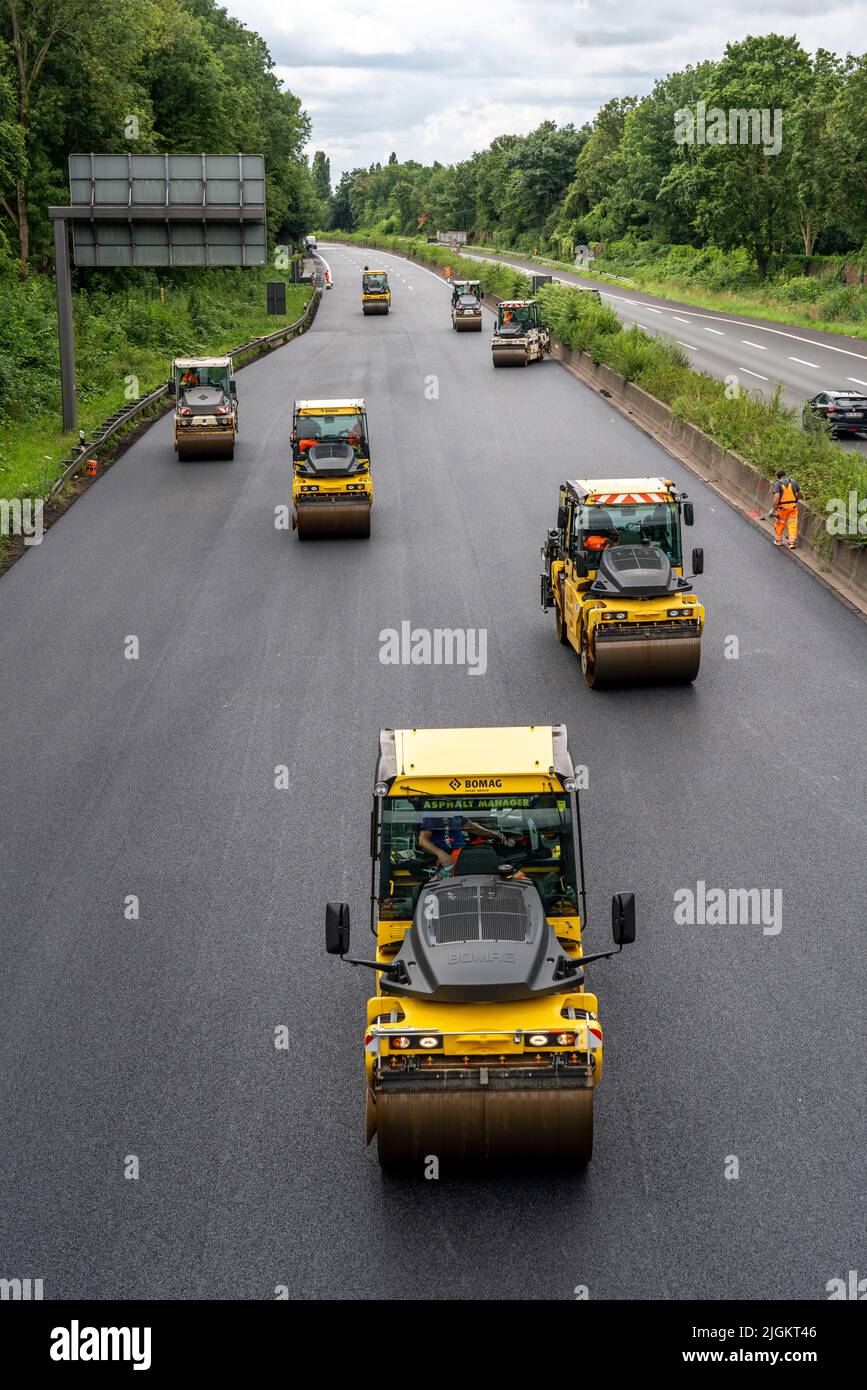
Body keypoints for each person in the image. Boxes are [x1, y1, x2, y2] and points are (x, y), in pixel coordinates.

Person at [418, 812, 508, 869]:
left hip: (461, 857)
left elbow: (471, 826)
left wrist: (494, 834)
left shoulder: (456, 812)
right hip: (444, 861)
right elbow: (422, 840)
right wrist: (440, 853)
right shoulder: (431, 814)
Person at [772, 470, 800, 548]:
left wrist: (774, 508)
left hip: (782, 508)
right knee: (792, 523)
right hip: (793, 506)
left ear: (778, 477)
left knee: (780, 523)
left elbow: (776, 497)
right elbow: (798, 493)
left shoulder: (777, 484)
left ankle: (778, 541)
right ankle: (792, 543)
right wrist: (795, 501)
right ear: (785, 474)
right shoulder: (793, 481)